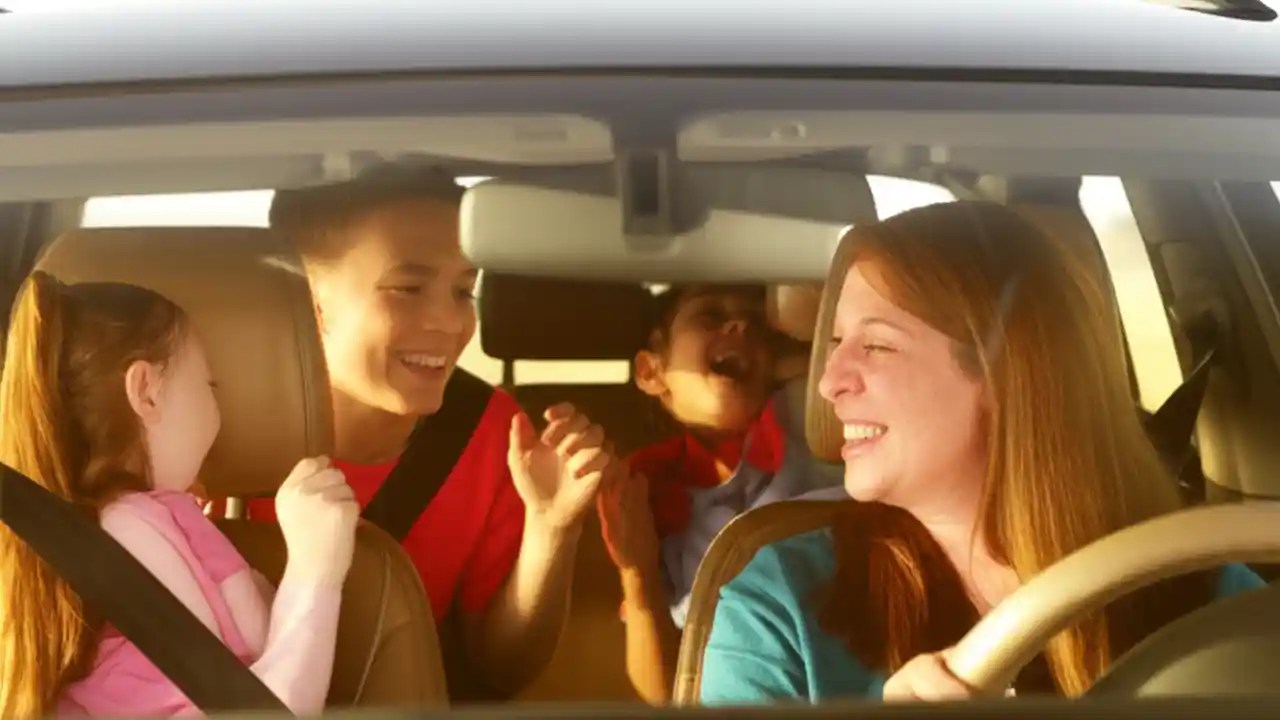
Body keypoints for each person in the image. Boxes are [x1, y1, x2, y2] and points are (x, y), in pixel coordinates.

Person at [697, 201, 1264, 704]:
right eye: (838, 343)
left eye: (875, 345)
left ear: (1004, 372)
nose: (829, 383)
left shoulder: (1200, 586)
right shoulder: (779, 605)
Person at [251, 164, 612, 697]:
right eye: (407, 288)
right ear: (305, 297)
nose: (450, 323)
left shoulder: (493, 435)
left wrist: (550, 529)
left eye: (464, 291)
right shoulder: (208, 433)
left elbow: (499, 671)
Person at [0, 272, 357, 718]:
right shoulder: (131, 535)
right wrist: (315, 568)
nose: (220, 410)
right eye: (210, 385)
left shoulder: (108, 536)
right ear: (147, 393)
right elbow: (265, 710)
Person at [596, 283, 844, 704]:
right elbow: (665, 695)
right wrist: (637, 574)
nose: (740, 325)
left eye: (758, 327)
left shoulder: (811, 415)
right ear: (651, 372)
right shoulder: (645, 489)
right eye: (709, 317)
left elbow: (840, 358)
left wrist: (781, 360)